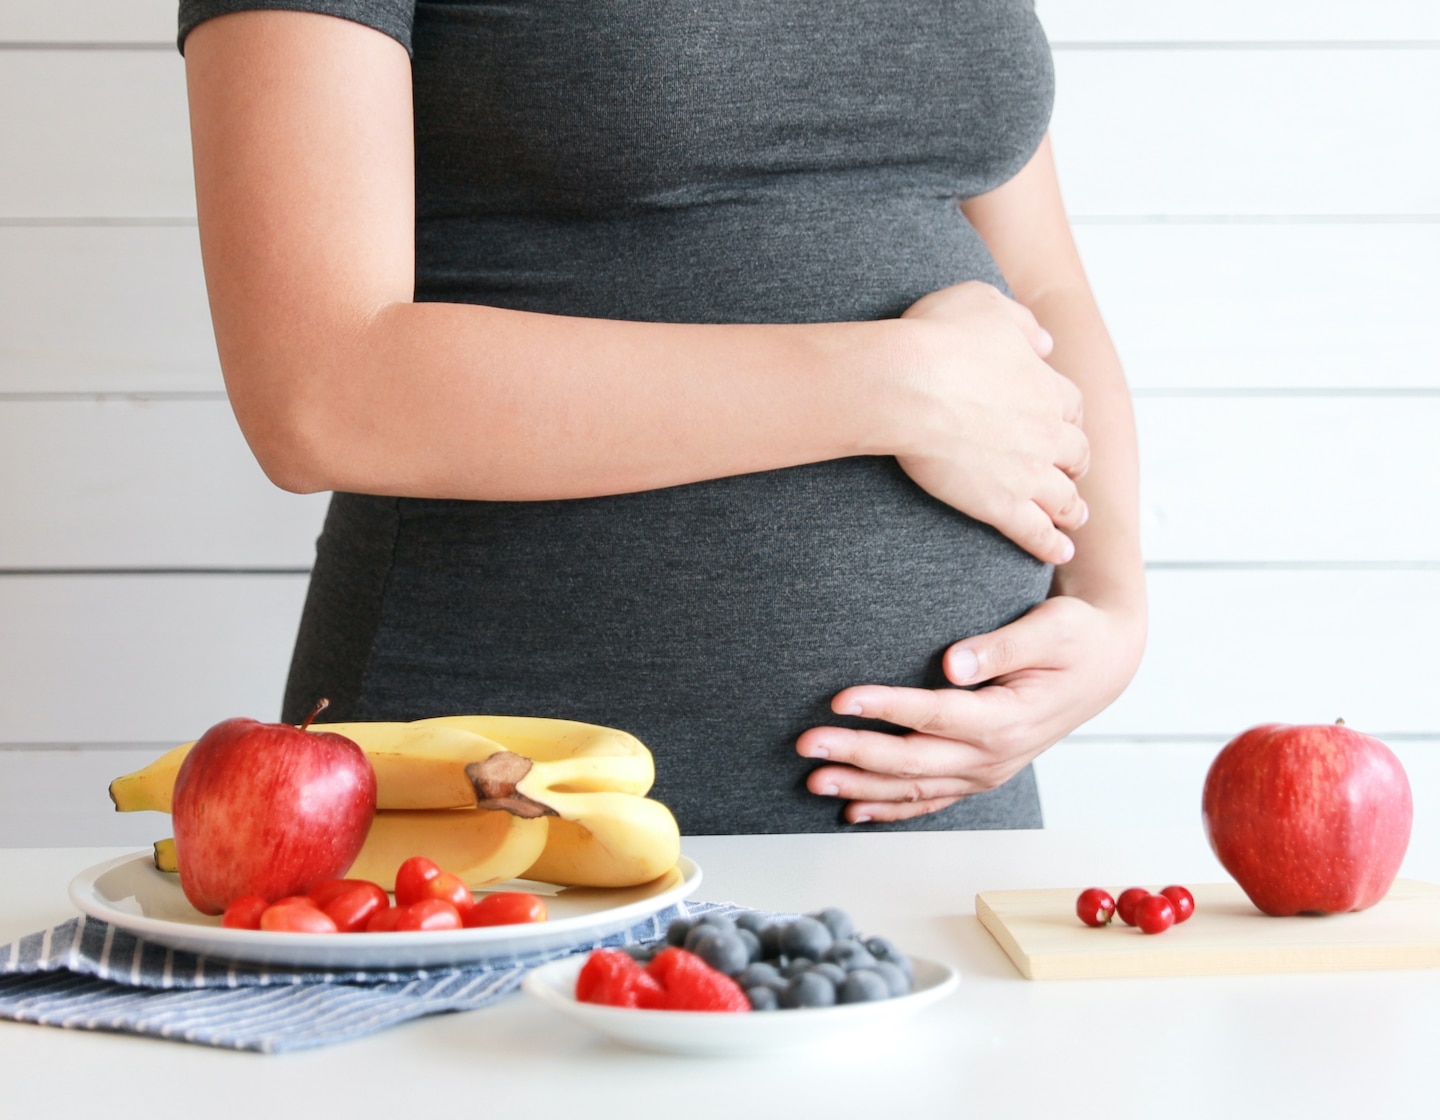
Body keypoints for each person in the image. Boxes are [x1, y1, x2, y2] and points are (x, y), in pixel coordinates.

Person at [176, 0, 1146, 835]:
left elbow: (1043, 278)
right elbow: (320, 391)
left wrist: (1109, 607)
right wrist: (894, 387)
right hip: (505, 815)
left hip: (947, 805)